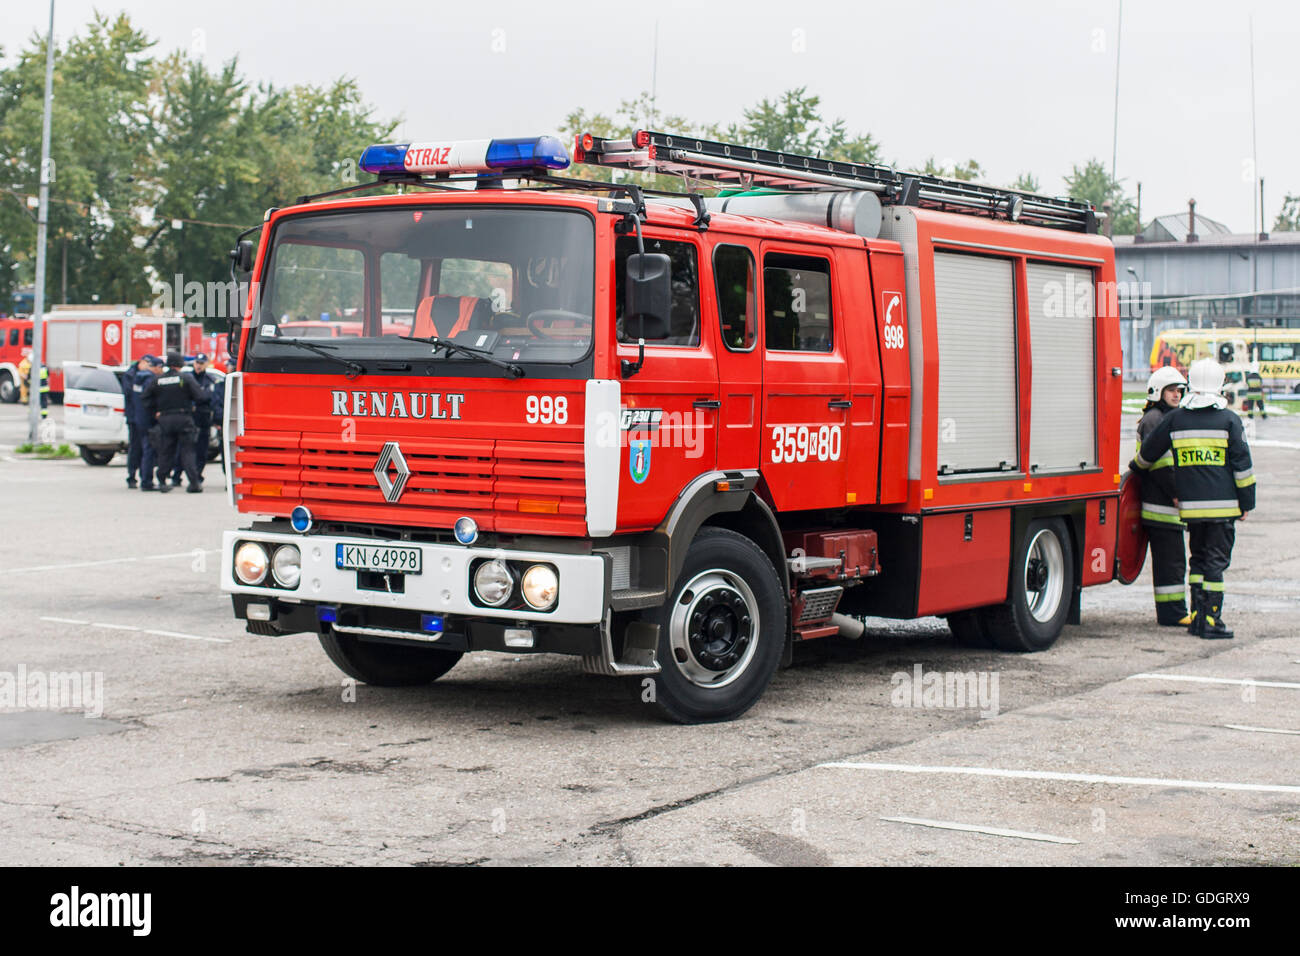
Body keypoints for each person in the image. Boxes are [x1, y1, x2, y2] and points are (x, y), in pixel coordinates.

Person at [1132, 358, 1256, 640]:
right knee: (1215, 564)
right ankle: (1211, 621)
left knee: (1198, 561)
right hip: (1223, 509)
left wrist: (1135, 468)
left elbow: (1148, 453)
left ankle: (1199, 619)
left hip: (1191, 511)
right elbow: (1242, 467)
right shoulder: (1229, 421)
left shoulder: (1176, 419)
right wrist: (1246, 503)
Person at [1135, 367, 1188, 626]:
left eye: (1179, 390)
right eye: (1171, 390)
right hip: (1161, 506)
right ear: (1158, 392)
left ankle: (1174, 612)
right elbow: (1162, 465)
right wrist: (1178, 494)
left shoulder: (1164, 417)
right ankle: (1173, 614)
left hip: (1165, 506)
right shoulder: (1155, 419)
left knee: (1174, 562)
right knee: (1171, 563)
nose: (1177, 395)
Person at [143, 351, 208, 494]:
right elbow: (201, 396)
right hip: (184, 418)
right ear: (179, 365)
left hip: (165, 419)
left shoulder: (158, 380)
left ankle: (162, 481)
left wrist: (155, 412)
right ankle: (194, 483)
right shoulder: (186, 378)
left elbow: (145, 398)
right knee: (188, 451)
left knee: (166, 451)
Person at [120, 356, 153, 489]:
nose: (148, 367)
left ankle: (144, 475)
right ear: (141, 362)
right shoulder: (130, 375)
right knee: (135, 448)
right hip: (134, 418)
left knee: (145, 448)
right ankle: (132, 475)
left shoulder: (146, 376)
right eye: (147, 364)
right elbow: (129, 394)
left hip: (143, 417)